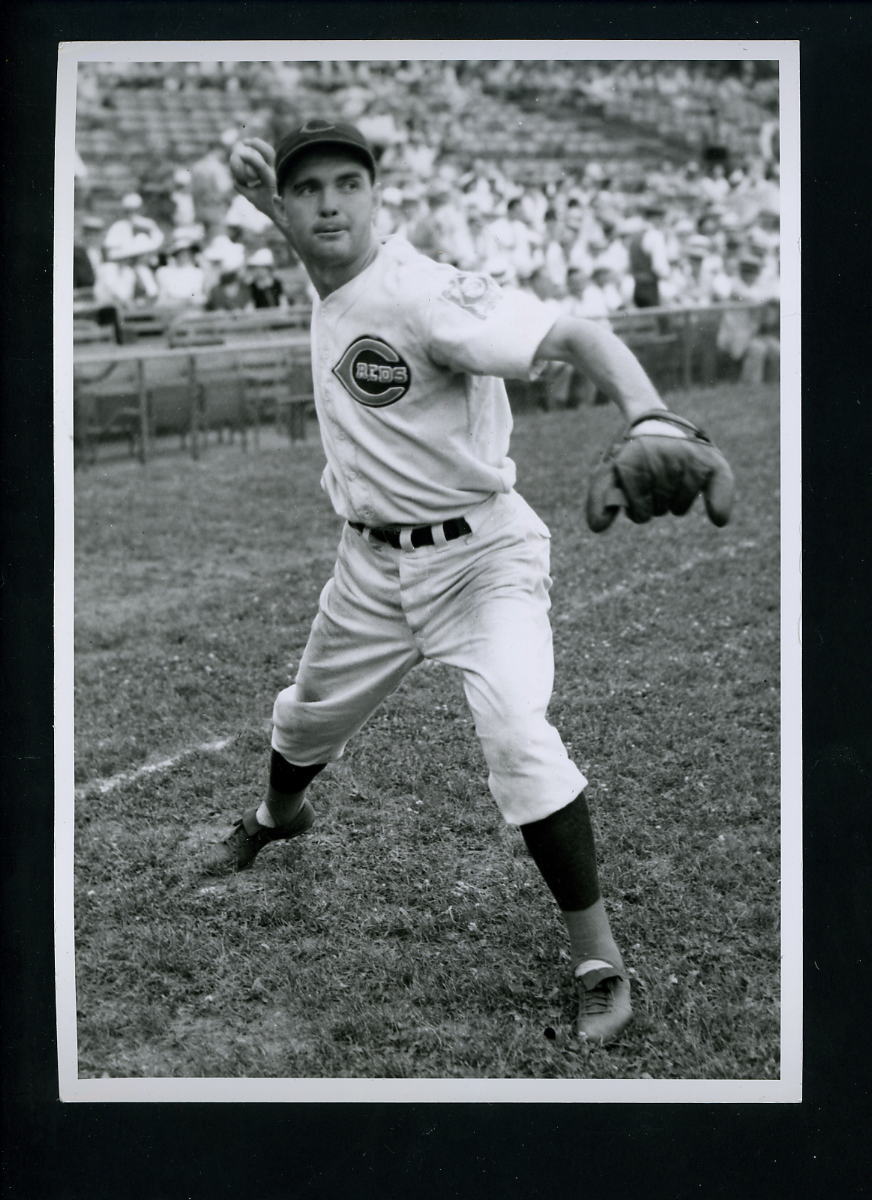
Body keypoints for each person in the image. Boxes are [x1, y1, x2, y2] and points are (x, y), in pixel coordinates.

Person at [204, 119, 721, 1045]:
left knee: (518, 731)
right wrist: (260, 201)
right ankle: (277, 818)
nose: (328, 202)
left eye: (347, 184)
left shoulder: (428, 295)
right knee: (303, 716)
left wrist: (649, 411)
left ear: (376, 194)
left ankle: (599, 960)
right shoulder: (328, 266)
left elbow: (574, 329)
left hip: (481, 558)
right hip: (370, 563)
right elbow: (319, 252)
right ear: (287, 204)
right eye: (308, 188)